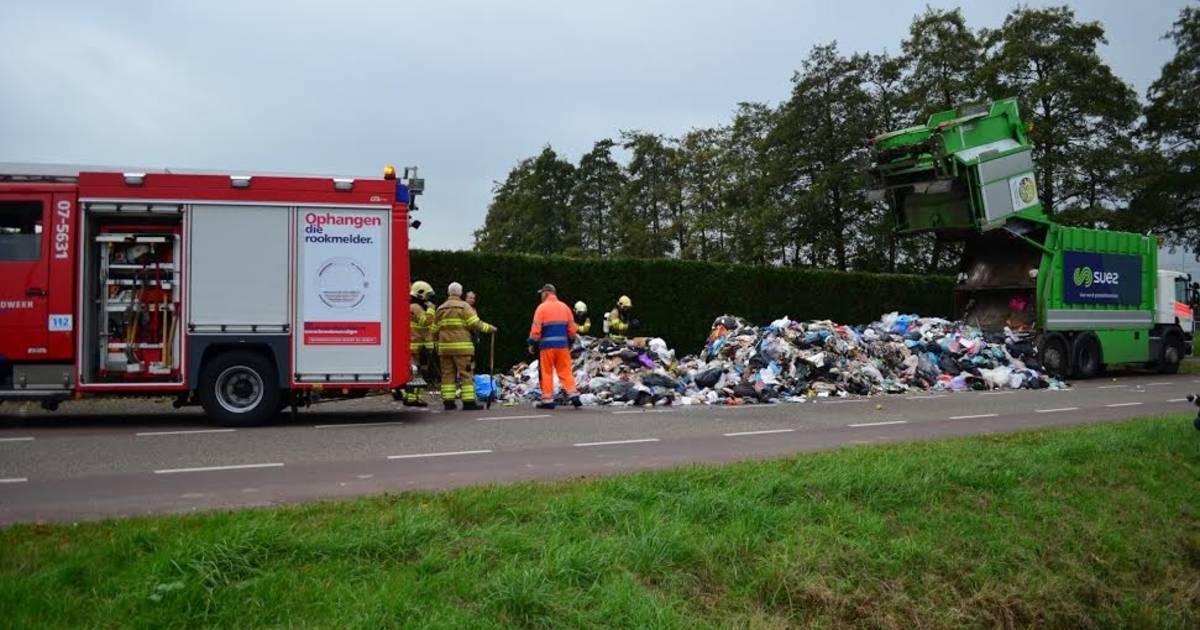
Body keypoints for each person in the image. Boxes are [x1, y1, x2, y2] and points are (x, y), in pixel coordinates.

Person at [434, 282, 495, 410]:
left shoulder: (440, 309)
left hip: (445, 349)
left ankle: (448, 402)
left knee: (447, 374)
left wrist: (436, 345)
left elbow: (434, 330)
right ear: (460, 293)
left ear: (448, 293)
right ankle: (468, 402)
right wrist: (490, 329)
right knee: (466, 374)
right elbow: (475, 324)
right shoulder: (464, 307)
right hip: (462, 348)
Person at [529, 284, 581, 409]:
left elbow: (536, 330)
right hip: (563, 346)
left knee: (546, 372)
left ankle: (548, 400)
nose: (541, 296)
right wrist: (570, 342)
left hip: (547, 347)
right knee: (565, 371)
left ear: (546, 294)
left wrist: (531, 343)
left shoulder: (541, 308)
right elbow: (572, 329)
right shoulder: (565, 307)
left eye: (542, 293)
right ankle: (573, 395)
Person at [400, 281, 436, 407]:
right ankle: (415, 399)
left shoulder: (410, 306)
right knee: (419, 373)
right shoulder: (415, 307)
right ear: (420, 294)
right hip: (417, 345)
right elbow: (425, 322)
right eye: (427, 296)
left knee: (413, 374)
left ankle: (410, 398)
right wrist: (431, 309)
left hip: (412, 344)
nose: (428, 299)